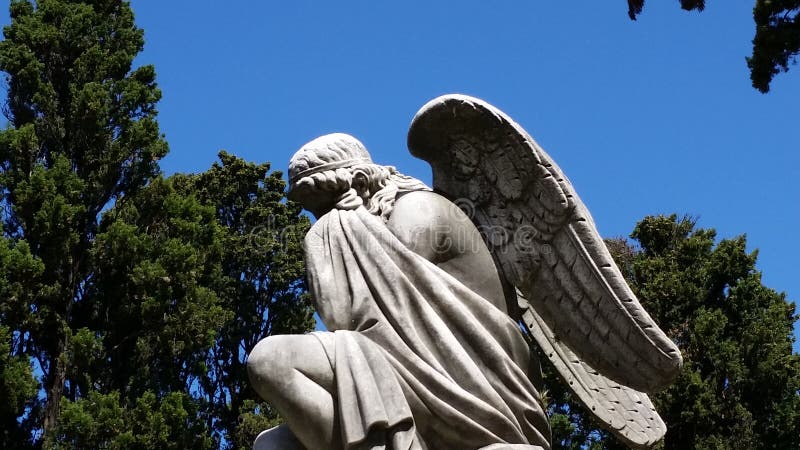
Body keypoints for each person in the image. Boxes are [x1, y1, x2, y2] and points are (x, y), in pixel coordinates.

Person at [247, 133, 550, 450]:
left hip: (470, 385)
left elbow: (386, 305)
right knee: (274, 442)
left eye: (326, 205)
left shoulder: (421, 208)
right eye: (315, 213)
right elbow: (342, 318)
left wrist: (336, 228)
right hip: (402, 367)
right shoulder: (353, 227)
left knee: (272, 361)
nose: (321, 220)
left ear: (361, 183)